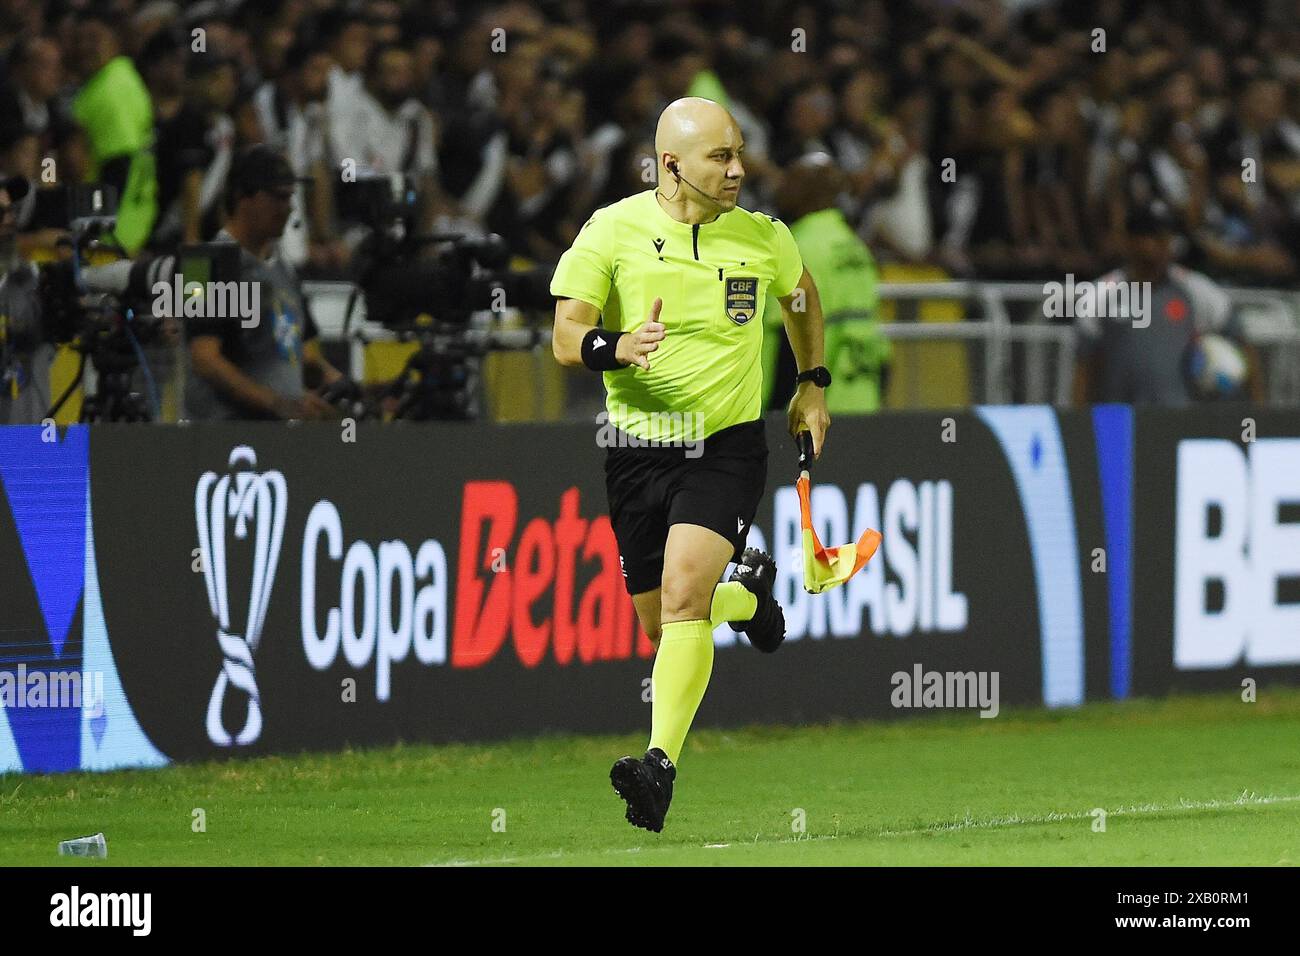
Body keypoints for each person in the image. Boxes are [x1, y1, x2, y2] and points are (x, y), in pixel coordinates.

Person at [550, 97, 831, 832]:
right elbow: (564, 334)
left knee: (681, 598)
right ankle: (751, 597)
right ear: (670, 164)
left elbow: (802, 298)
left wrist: (811, 383)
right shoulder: (612, 230)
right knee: (665, 623)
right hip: (636, 450)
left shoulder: (764, 238)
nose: (739, 169)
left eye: (739, 153)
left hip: (726, 446)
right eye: (721, 157)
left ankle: (658, 767)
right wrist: (616, 348)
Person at [183, 146, 344, 420]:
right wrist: (277, 403)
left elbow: (300, 354)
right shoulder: (202, 262)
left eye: (290, 197)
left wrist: (342, 387)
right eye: (278, 198)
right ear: (243, 196)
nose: (288, 208)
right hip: (224, 437)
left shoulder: (285, 269)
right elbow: (204, 358)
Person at [1073, 206, 1256, 406]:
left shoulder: (1195, 289)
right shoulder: (1101, 294)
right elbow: (1085, 364)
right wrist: (1080, 420)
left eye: (1165, 238)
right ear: (1129, 241)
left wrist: (1258, 413)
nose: (1158, 246)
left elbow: (1242, 343)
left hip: (1180, 418)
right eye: (1150, 237)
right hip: (1118, 418)